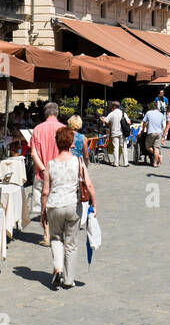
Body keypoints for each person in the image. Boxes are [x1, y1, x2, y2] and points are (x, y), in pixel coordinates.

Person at [40, 125, 95, 290]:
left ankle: (58, 268)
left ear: (57, 143)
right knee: (71, 243)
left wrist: (43, 210)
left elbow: (45, 191)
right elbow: (89, 185)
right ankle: (69, 280)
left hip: (54, 205)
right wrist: (95, 203)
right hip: (72, 206)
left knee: (56, 239)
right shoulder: (78, 162)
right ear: (71, 143)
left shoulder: (50, 164)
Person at [29, 103, 64, 239]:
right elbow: (67, 152)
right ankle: (57, 231)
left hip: (42, 172)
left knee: (45, 203)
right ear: (57, 113)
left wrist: (43, 168)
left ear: (45, 113)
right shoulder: (63, 129)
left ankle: (46, 233)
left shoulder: (38, 129)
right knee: (59, 202)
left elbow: (33, 153)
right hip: (59, 171)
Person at [104, 101, 129, 167]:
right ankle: (126, 163)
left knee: (116, 148)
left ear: (114, 107)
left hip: (114, 132)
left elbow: (106, 121)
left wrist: (104, 120)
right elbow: (129, 121)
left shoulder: (111, 114)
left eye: (112, 107)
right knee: (124, 148)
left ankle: (116, 163)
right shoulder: (123, 113)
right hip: (122, 133)